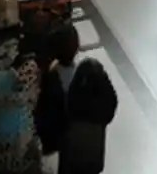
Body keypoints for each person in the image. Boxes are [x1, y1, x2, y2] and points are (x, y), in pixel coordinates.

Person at [36, 23, 118, 174]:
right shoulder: (90, 73)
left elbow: (45, 116)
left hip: (69, 148)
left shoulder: (52, 78)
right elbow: (109, 104)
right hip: (93, 148)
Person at [0, 27, 42, 174]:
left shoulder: (11, 73)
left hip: (14, 133)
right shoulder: (5, 75)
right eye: (7, 48)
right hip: (8, 135)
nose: (12, 52)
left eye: (14, 47)